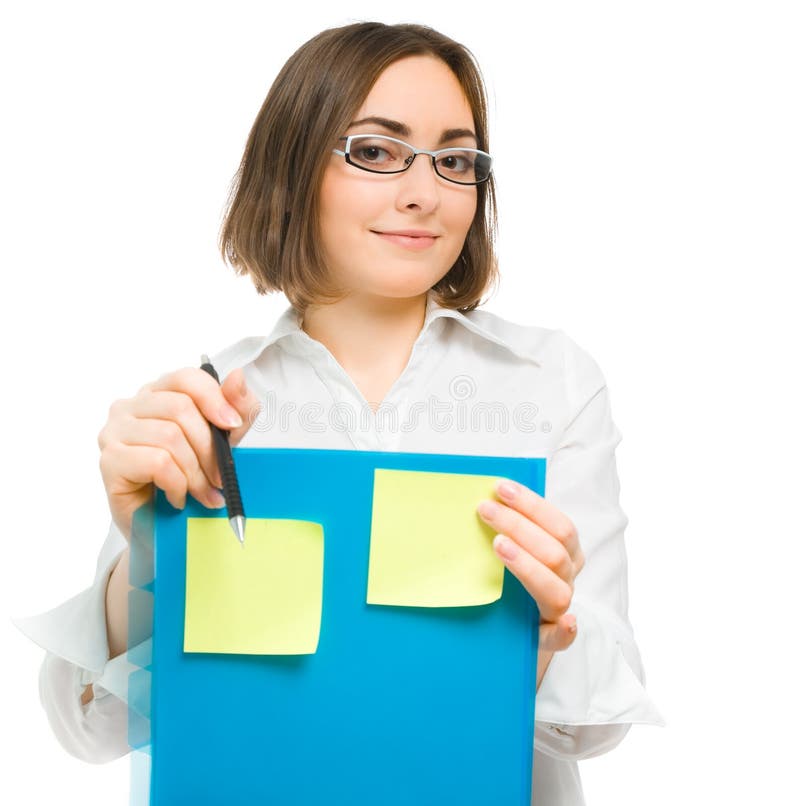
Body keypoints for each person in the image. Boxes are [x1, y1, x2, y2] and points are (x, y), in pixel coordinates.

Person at [15, 20, 662, 805]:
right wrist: (144, 548)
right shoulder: (212, 403)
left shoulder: (548, 381)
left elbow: (599, 725)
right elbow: (83, 730)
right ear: (292, 170)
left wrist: (548, 639)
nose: (424, 191)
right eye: (377, 151)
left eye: (454, 160)